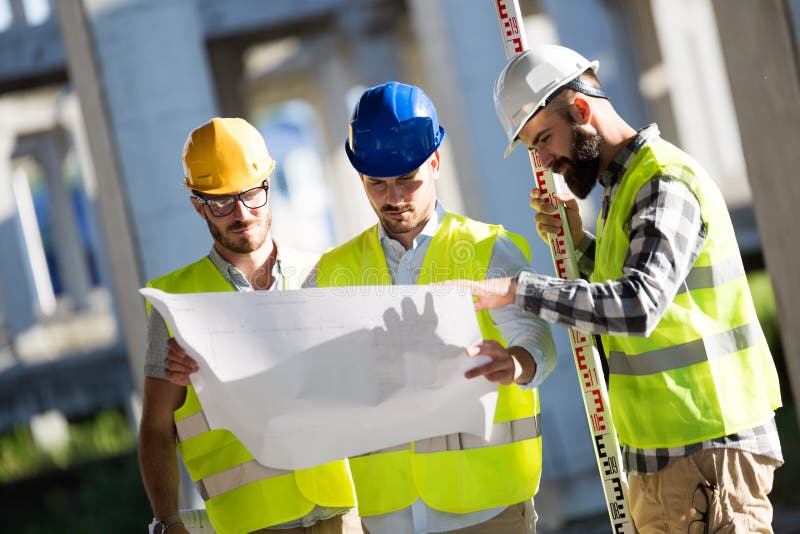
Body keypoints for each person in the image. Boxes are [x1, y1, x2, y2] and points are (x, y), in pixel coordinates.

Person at [166, 82, 557, 533]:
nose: (393, 198)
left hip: (488, 509)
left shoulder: (488, 247)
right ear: (360, 177)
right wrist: (204, 363)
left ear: (434, 162)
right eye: (377, 183)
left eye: (407, 180)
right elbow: (285, 363)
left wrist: (515, 363)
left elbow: (538, 339)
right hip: (385, 516)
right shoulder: (333, 272)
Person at [460, 45, 783, 532]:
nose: (545, 161)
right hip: (663, 456)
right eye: (533, 148)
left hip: (708, 449)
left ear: (583, 110)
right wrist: (581, 246)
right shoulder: (624, 188)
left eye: (545, 138)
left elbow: (638, 305)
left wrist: (520, 290)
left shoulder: (663, 183)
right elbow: (644, 293)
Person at [138, 117, 361, 534]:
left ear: (268, 188)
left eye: (251, 194)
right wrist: (166, 519)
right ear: (197, 204)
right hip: (252, 523)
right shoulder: (175, 306)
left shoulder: (321, 275)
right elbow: (155, 426)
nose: (241, 213)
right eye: (221, 201)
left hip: (344, 513)